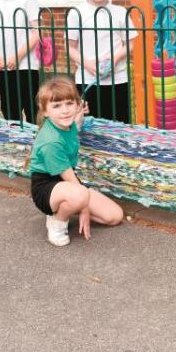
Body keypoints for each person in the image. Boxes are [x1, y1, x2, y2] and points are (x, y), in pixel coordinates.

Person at [29, 76, 124, 246]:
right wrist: (84, 210)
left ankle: (68, 205)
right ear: (44, 111)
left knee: (114, 216)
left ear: (78, 105)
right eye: (56, 106)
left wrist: (79, 111)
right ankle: (57, 221)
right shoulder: (51, 142)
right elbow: (71, 180)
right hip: (46, 187)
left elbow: (76, 119)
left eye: (69, 103)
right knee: (80, 196)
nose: (65, 110)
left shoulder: (68, 123)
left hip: (67, 183)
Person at [66, 0, 137, 123]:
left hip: (118, 79)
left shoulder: (120, 12)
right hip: (87, 79)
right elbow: (70, 47)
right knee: (90, 125)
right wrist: (88, 64)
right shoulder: (76, 13)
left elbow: (130, 44)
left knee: (119, 125)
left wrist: (114, 59)